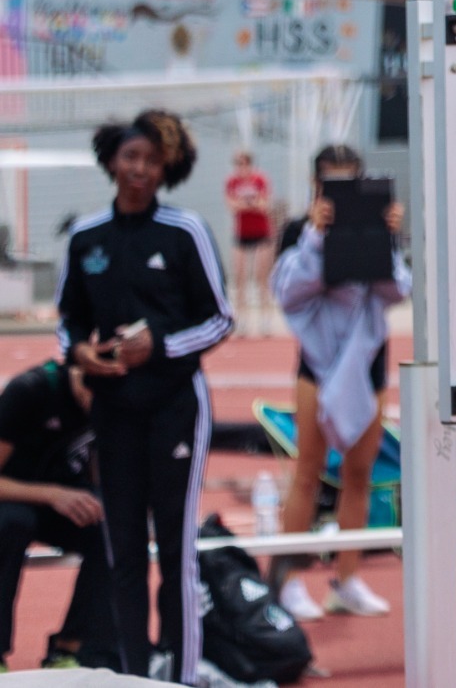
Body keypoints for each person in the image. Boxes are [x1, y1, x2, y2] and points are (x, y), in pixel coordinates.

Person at [58, 109, 232, 684]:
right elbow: (68, 320)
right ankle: (136, 676)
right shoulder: (85, 237)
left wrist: (156, 345)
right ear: (112, 160)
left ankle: (181, 677)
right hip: (113, 413)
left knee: (177, 553)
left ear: (168, 169)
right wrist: (80, 352)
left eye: (152, 161)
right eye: (131, 157)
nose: (139, 169)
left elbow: (220, 320)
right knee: (124, 555)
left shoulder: (186, 231)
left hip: (176, 407)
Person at [267, 146, 410, 622]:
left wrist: (388, 238)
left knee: (360, 475)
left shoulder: (378, 225)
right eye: (332, 185)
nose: (341, 197)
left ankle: (346, 579)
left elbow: (397, 292)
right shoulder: (296, 230)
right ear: (315, 186)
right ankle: (285, 581)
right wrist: (315, 232)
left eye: (350, 184)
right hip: (316, 362)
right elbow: (288, 292)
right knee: (306, 471)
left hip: (367, 361)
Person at [0, 360, 114, 671]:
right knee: (10, 525)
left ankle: (69, 649)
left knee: (111, 532)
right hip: (12, 496)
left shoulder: (108, 404)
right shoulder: (29, 392)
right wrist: (52, 493)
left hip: (59, 502)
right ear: (79, 377)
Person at [225, 150, 274, 338]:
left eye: (243, 164)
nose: (240, 168)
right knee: (240, 277)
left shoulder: (260, 179)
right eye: (238, 164)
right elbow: (232, 206)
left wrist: (248, 204)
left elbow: (264, 205)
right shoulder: (232, 182)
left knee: (261, 278)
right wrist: (250, 203)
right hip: (241, 234)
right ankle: (242, 321)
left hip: (261, 233)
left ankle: (265, 320)